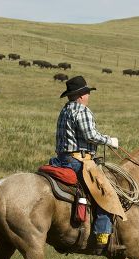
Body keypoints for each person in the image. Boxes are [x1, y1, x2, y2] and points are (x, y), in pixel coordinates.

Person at [50, 75, 119, 249]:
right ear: (81, 95)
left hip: (61, 159)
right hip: (77, 160)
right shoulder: (82, 110)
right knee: (104, 191)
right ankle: (102, 235)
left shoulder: (65, 110)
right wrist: (108, 140)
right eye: (87, 93)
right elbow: (90, 136)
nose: (88, 96)